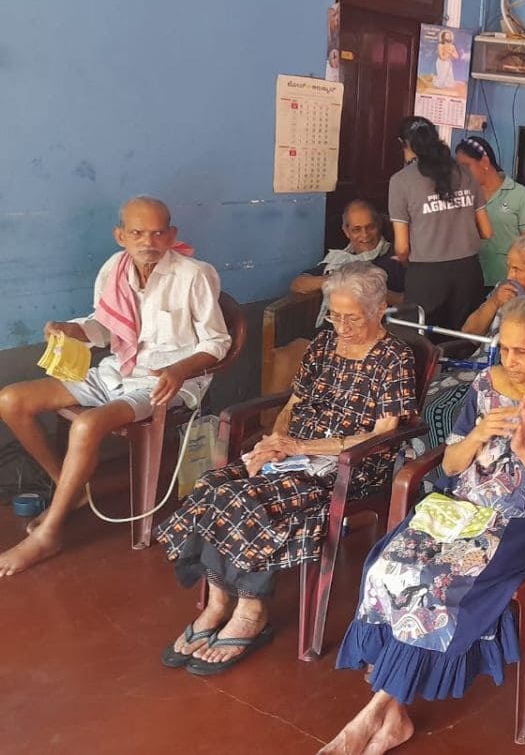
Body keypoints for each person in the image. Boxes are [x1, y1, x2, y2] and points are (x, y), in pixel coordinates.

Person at [321, 296, 525, 754]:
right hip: (459, 509)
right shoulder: (483, 384)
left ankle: (375, 712)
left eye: (523, 351)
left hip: (522, 523)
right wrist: (477, 434)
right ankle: (390, 713)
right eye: (505, 349)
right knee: (389, 566)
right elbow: (453, 467)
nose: (510, 362)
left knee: (439, 583)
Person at [156, 263, 417, 674]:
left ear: (380, 310)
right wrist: (274, 444)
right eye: (334, 314)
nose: (342, 326)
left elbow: (382, 432)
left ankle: (250, 609)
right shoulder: (322, 346)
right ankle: (220, 600)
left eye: (352, 317)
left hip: (351, 464)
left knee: (252, 497)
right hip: (296, 453)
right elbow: (294, 405)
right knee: (214, 485)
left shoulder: (393, 357)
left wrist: (301, 446)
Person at [0, 197, 230, 577]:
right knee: (11, 400)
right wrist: (74, 329)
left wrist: (179, 369)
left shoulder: (194, 274)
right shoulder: (114, 268)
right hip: (116, 371)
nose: (148, 242)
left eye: (158, 232)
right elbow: (105, 326)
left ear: (171, 235)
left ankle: (50, 534)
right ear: (120, 235)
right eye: (137, 233)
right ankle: (68, 490)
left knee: (87, 424)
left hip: (165, 382)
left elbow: (217, 342)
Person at [421, 236, 525, 448]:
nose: (509, 275)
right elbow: (469, 331)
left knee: (455, 412)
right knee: (425, 401)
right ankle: (429, 474)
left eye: (517, 269)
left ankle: (466, 470)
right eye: (508, 267)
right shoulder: (505, 291)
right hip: (478, 369)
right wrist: (494, 302)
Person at [389, 116, 492, 329]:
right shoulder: (466, 174)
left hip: (426, 276)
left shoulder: (401, 181)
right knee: (463, 339)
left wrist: (406, 260)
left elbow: (402, 247)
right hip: (468, 273)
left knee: (421, 341)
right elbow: (487, 231)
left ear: (404, 144)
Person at [289, 199, 405, 317]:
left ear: (379, 226)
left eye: (370, 227)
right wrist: (337, 280)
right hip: (340, 328)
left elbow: (413, 301)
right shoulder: (339, 260)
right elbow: (297, 285)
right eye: (356, 229)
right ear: (346, 231)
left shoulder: (397, 256)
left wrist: (371, 290)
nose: (365, 235)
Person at [454, 135, 525, 287]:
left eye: (466, 167)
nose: (462, 173)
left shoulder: (519, 194)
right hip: (468, 279)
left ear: (485, 162)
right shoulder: (462, 193)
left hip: (505, 282)